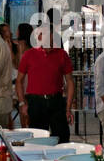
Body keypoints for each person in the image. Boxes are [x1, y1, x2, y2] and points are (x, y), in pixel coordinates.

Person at [17, 14, 74, 142]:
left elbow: (70, 81)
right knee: (37, 139)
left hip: (56, 100)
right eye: (41, 35)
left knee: (62, 137)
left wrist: (68, 107)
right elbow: (19, 81)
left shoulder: (61, 54)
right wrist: (22, 103)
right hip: (35, 102)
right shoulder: (29, 55)